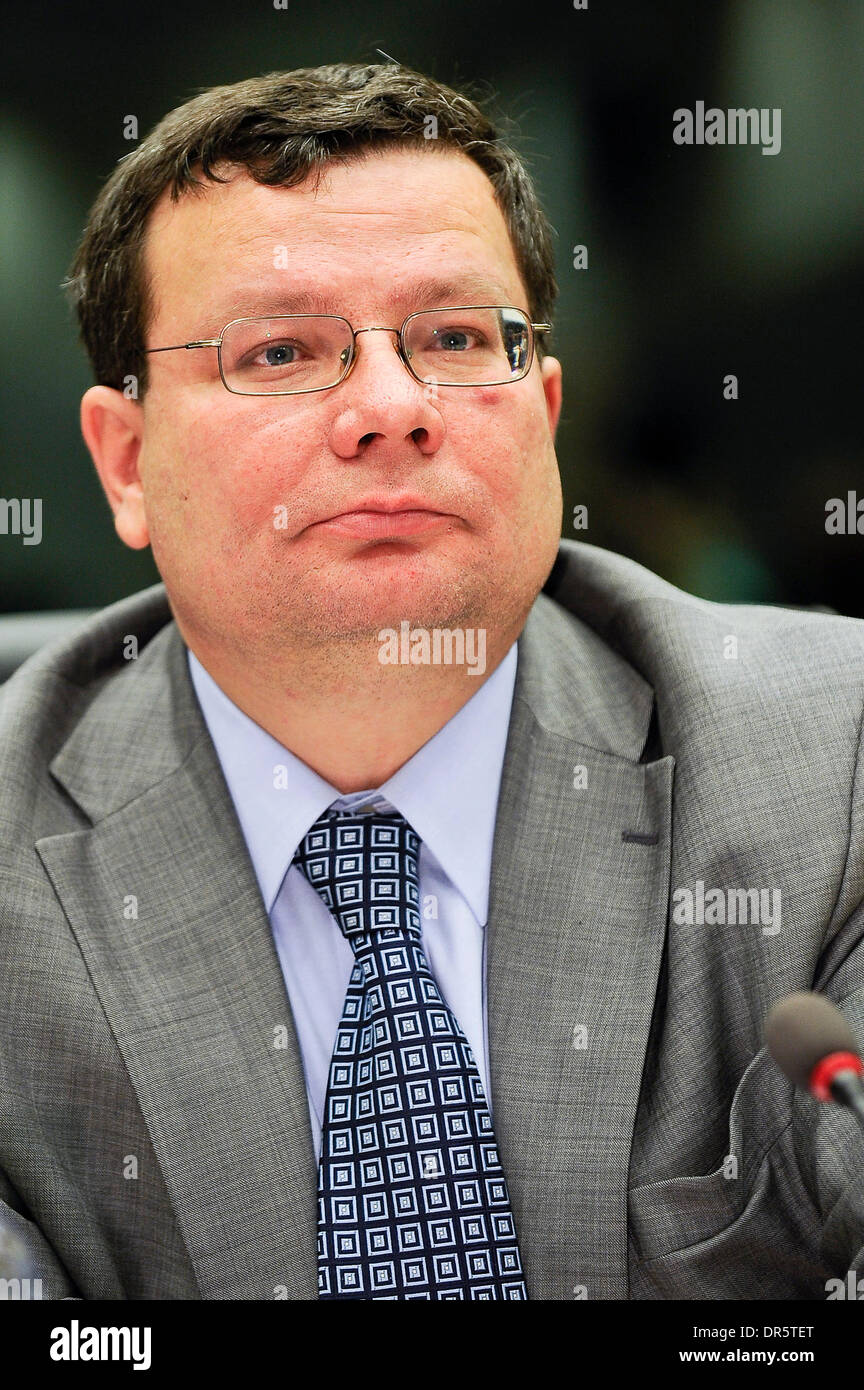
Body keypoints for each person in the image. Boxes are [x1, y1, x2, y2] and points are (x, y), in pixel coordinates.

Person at [2, 61, 863, 1302]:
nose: (394, 410)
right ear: (126, 462)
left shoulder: (833, 764)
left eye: (458, 339)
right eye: (283, 350)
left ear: (545, 414)